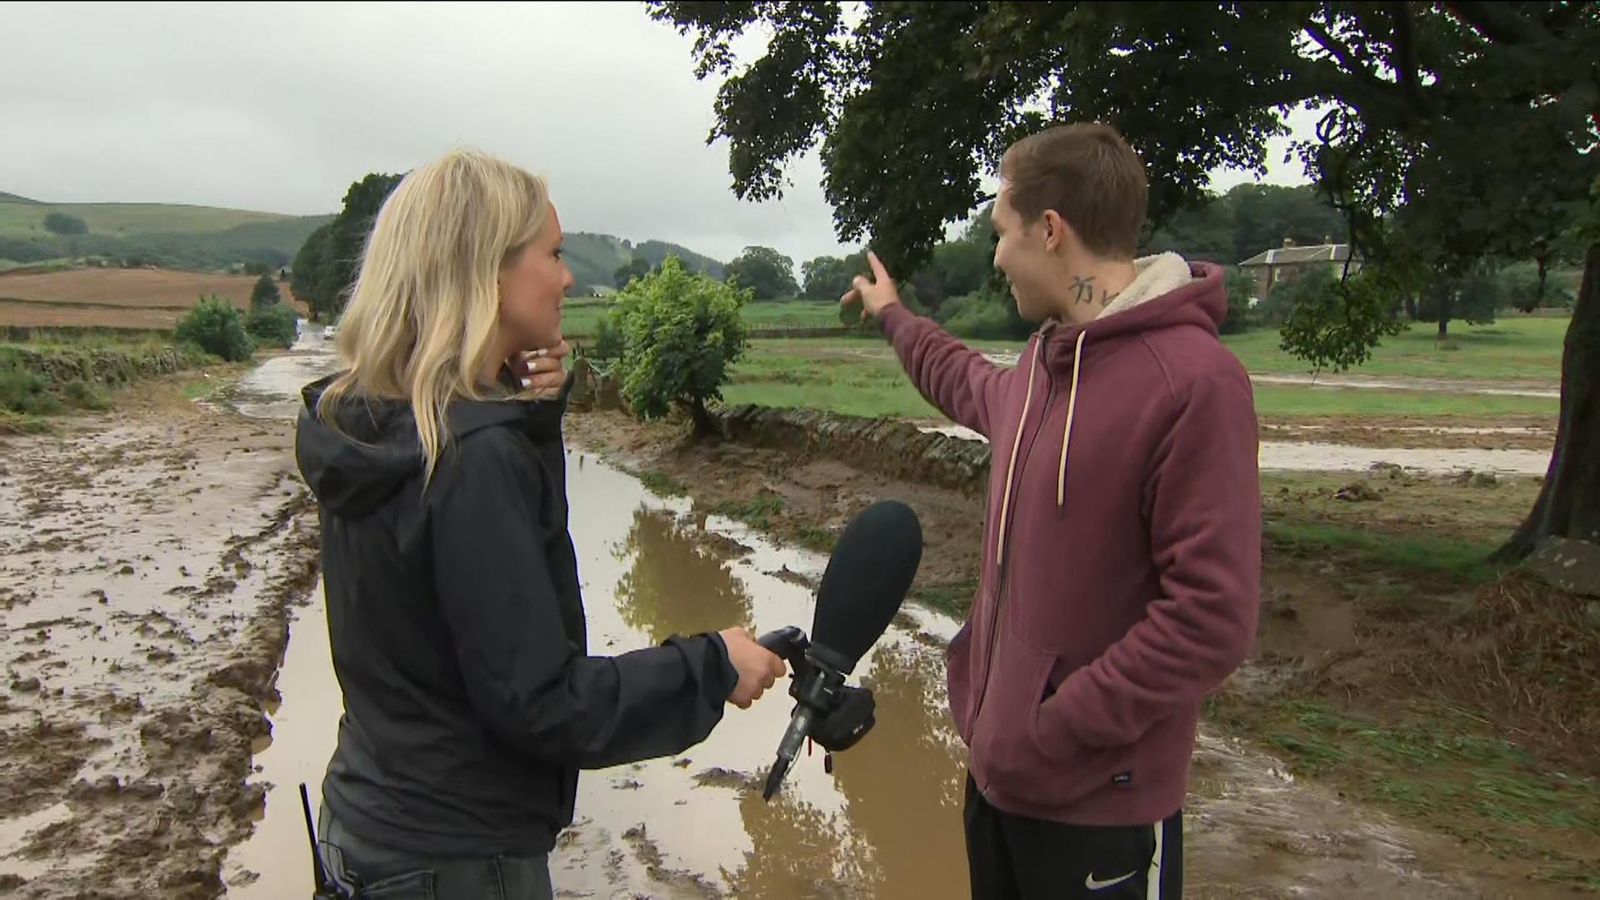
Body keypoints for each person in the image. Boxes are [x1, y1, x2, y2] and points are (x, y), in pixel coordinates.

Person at [293, 148, 786, 899]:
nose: (565, 278)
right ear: (487, 269)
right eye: (552, 254)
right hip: (456, 860)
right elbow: (544, 701)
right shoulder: (472, 458)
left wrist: (532, 423)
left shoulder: (373, 427)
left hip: (367, 826)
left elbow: (494, 609)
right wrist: (711, 664)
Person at [842, 123, 1261, 899]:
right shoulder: (1047, 365)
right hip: (1003, 784)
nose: (997, 254)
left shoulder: (1196, 384)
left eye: (1002, 231)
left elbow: (1212, 619)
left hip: (1097, 814)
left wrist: (1053, 728)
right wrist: (895, 314)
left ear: (1050, 229)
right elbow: (964, 379)